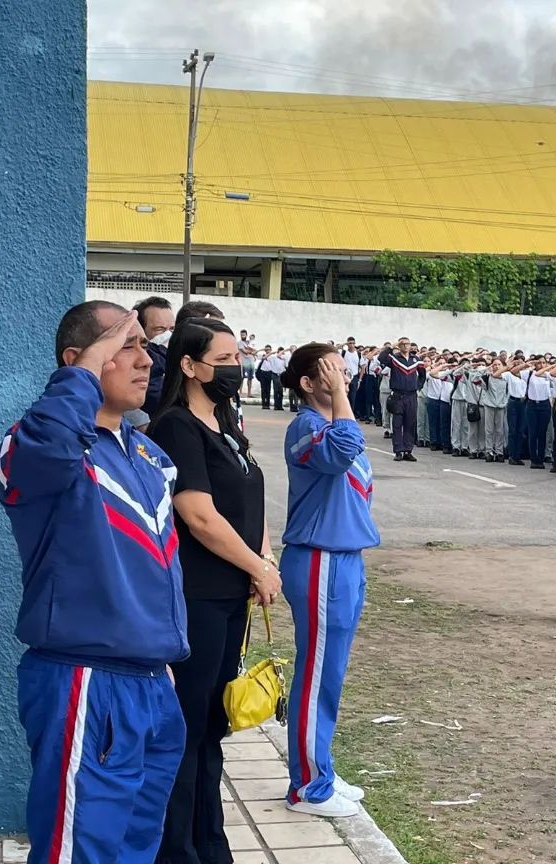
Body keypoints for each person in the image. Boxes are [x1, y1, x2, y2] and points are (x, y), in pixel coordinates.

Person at [0, 302, 187, 864]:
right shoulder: (39, 447)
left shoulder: (151, 457)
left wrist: (162, 657)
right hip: (87, 681)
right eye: (125, 345)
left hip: (151, 682)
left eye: (145, 345)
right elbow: (47, 446)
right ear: (75, 364)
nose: (145, 360)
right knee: (82, 852)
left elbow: (153, 572)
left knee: (135, 846)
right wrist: (82, 375)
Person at [148, 319, 278, 864]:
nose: (234, 366)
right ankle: (177, 848)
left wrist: (262, 559)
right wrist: (258, 566)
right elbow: (198, 516)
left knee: (212, 726)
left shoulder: (226, 421)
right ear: (189, 365)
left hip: (232, 595)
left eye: (236, 355)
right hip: (198, 596)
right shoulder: (177, 427)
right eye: (223, 358)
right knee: (188, 725)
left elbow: (248, 499)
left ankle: (209, 839)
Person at [278, 344, 381, 818]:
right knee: (318, 675)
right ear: (308, 382)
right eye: (331, 370)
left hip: (345, 559)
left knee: (331, 673)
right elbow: (341, 452)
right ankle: (307, 786)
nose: (343, 375)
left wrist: (341, 396)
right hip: (319, 560)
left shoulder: (338, 422)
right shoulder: (307, 425)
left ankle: (321, 767)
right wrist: (340, 395)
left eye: (343, 368)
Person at [378, 337, 424, 461]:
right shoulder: (394, 358)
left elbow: (422, 375)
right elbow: (381, 358)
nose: (405, 346)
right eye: (402, 344)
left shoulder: (416, 359)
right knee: (397, 424)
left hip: (411, 395)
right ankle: (398, 450)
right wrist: (391, 347)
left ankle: (408, 450)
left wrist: (418, 386)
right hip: (398, 395)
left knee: (410, 423)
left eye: (407, 344)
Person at [481, 357, 509, 463]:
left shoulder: (506, 378)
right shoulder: (487, 377)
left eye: (499, 365)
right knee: (489, 430)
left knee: (500, 430)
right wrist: (486, 369)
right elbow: (475, 380)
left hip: (501, 406)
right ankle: (489, 451)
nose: (496, 367)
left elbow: (507, 392)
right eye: (494, 365)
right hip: (489, 405)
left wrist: (504, 402)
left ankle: (499, 451)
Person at [237, 329, 257, 398]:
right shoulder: (239, 343)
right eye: (241, 335)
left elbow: (255, 349)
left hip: (250, 362)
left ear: (246, 335)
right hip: (243, 362)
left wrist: (252, 351)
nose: (243, 336)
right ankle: (240, 392)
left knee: (250, 378)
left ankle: (249, 393)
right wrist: (252, 352)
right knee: (241, 377)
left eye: (244, 335)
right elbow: (245, 351)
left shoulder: (250, 342)